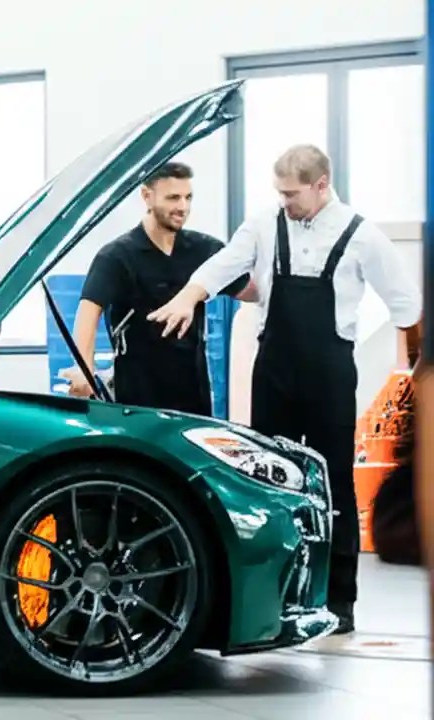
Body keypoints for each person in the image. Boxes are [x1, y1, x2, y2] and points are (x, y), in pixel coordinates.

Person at [146, 144, 423, 634]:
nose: (284, 202)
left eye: (291, 194)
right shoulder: (263, 224)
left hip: (330, 375)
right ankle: (270, 602)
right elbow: (224, 264)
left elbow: (405, 304)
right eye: (279, 192)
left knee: (332, 484)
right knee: (267, 481)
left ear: (321, 185)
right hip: (273, 370)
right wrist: (189, 296)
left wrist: (419, 369)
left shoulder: (362, 235)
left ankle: (340, 603)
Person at [63, 161, 255, 414]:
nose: (183, 207)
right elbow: (89, 310)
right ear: (147, 196)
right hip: (136, 398)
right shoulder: (117, 256)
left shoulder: (205, 250)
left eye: (188, 197)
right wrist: (83, 368)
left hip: (193, 396)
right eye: (173, 198)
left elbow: (250, 291)